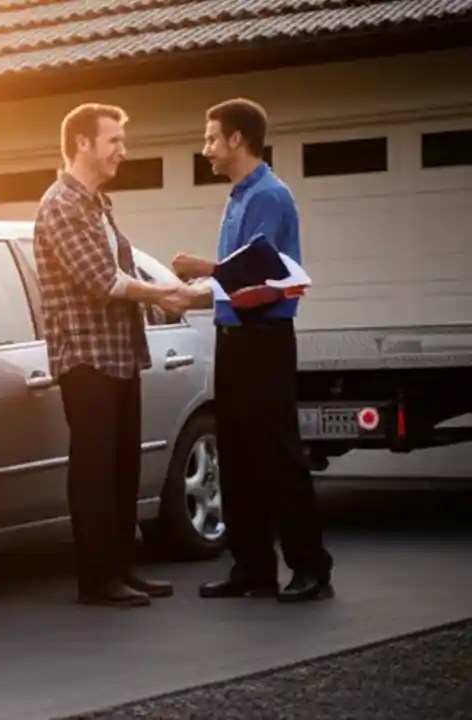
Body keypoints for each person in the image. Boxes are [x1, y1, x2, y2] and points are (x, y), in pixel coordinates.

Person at [171, 98, 335, 603]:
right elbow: (233, 286)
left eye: (211, 139)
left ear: (236, 140)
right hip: (234, 338)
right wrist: (190, 295)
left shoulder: (268, 196)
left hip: (264, 340)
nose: (207, 150)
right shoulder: (238, 195)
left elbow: (254, 273)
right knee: (238, 455)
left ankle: (311, 568)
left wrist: (201, 271)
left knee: (278, 456)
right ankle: (253, 566)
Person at [34, 103, 190, 607]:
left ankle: (124, 569)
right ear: (83, 143)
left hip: (119, 354)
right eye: (114, 141)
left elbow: (120, 273)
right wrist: (163, 294)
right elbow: (102, 281)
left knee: (122, 468)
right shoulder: (61, 205)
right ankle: (98, 579)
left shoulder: (99, 203)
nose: (123, 150)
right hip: (86, 357)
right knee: (95, 470)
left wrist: (167, 291)